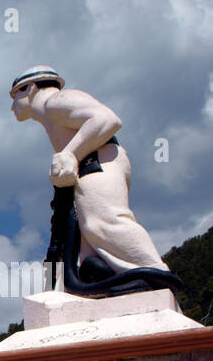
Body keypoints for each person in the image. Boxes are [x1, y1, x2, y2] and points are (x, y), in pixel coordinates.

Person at [10, 67, 178, 294]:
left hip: (97, 162)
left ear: (29, 88)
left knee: (102, 222)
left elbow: (107, 119)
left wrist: (70, 153)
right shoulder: (51, 115)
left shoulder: (57, 101)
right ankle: (96, 282)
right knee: (80, 242)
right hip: (85, 168)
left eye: (14, 96)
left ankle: (152, 273)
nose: (13, 106)